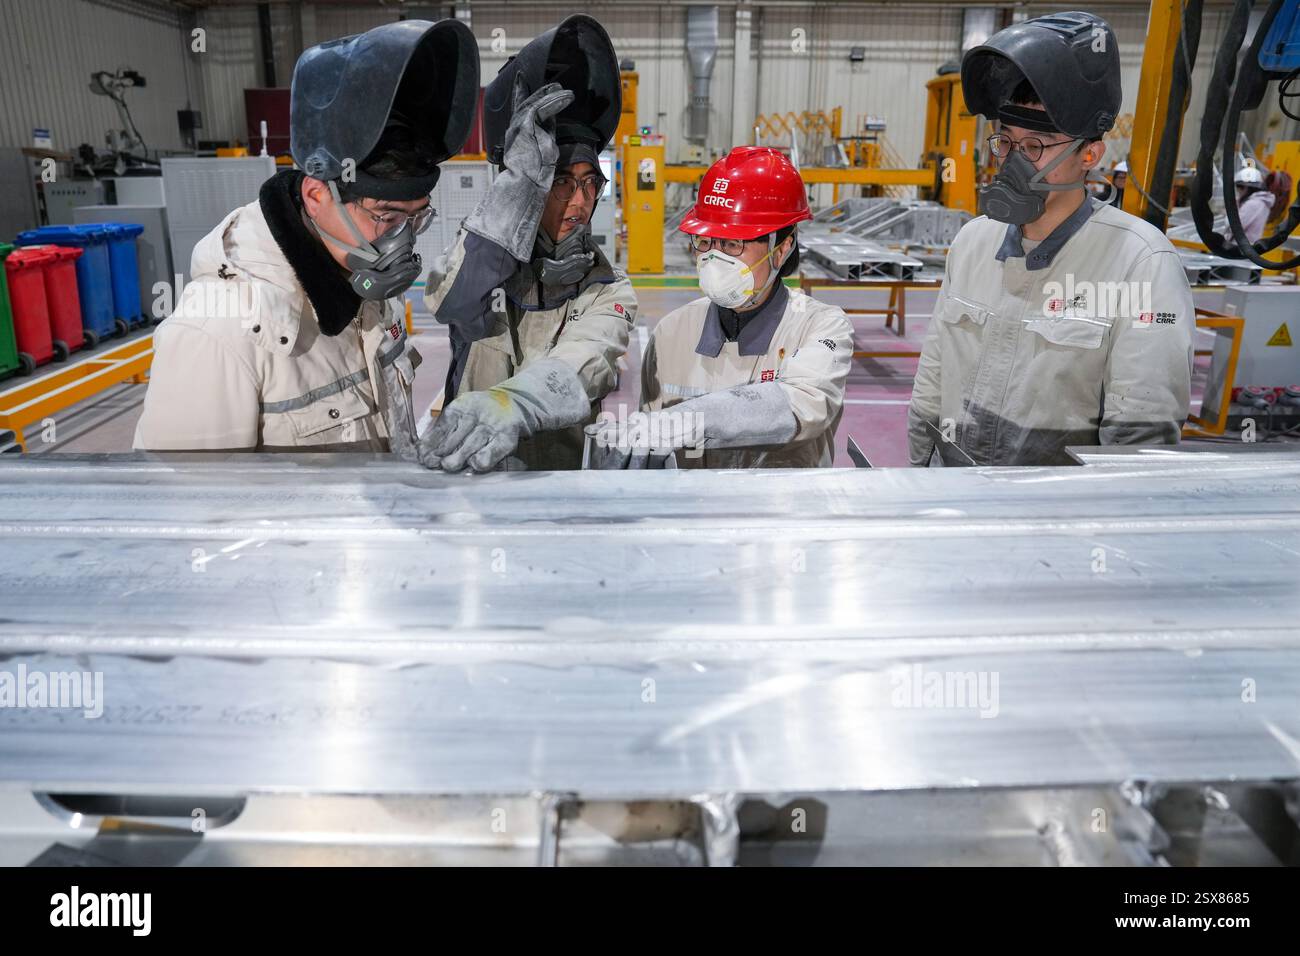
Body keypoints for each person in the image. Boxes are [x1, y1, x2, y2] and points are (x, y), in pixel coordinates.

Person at [134, 20, 478, 454]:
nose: (401, 242)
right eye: (387, 216)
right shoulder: (216, 332)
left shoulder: (363, 286)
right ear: (316, 195)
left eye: (416, 218)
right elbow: (196, 511)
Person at [907, 11, 1193, 467]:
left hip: (1057, 517)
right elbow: (934, 374)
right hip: (954, 495)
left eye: (1035, 146)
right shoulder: (973, 242)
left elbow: (1142, 432)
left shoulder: (1140, 261)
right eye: (1006, 142)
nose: (1014, 161)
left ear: (1090, 154)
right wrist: (917, 472)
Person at [421, 15, 635, 472]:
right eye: (560, 182)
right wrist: (517, 187)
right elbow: (451, 303)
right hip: (471, 480)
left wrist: (509, 405)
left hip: (558, 494)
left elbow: (586, 359)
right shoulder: (483, 261)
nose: (577, 201)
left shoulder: (609, 289)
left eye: (588, 183)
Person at [592, 146, 852, 468]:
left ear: (782, 248)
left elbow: (805, 401)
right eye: (705, 241)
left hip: (784, 515)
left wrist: (685, 420)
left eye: (733, 244)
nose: (714, 258)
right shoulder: (673, 332)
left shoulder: (820, 326)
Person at [1234, 164, 1275, 244]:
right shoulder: (1261, 202)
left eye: (1239, 187)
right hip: (1247, 248)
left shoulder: (1253, 204)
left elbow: (1234, 226)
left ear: (1246, 187)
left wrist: (1231, 210)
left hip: (1239, 249)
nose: (1238, 190)